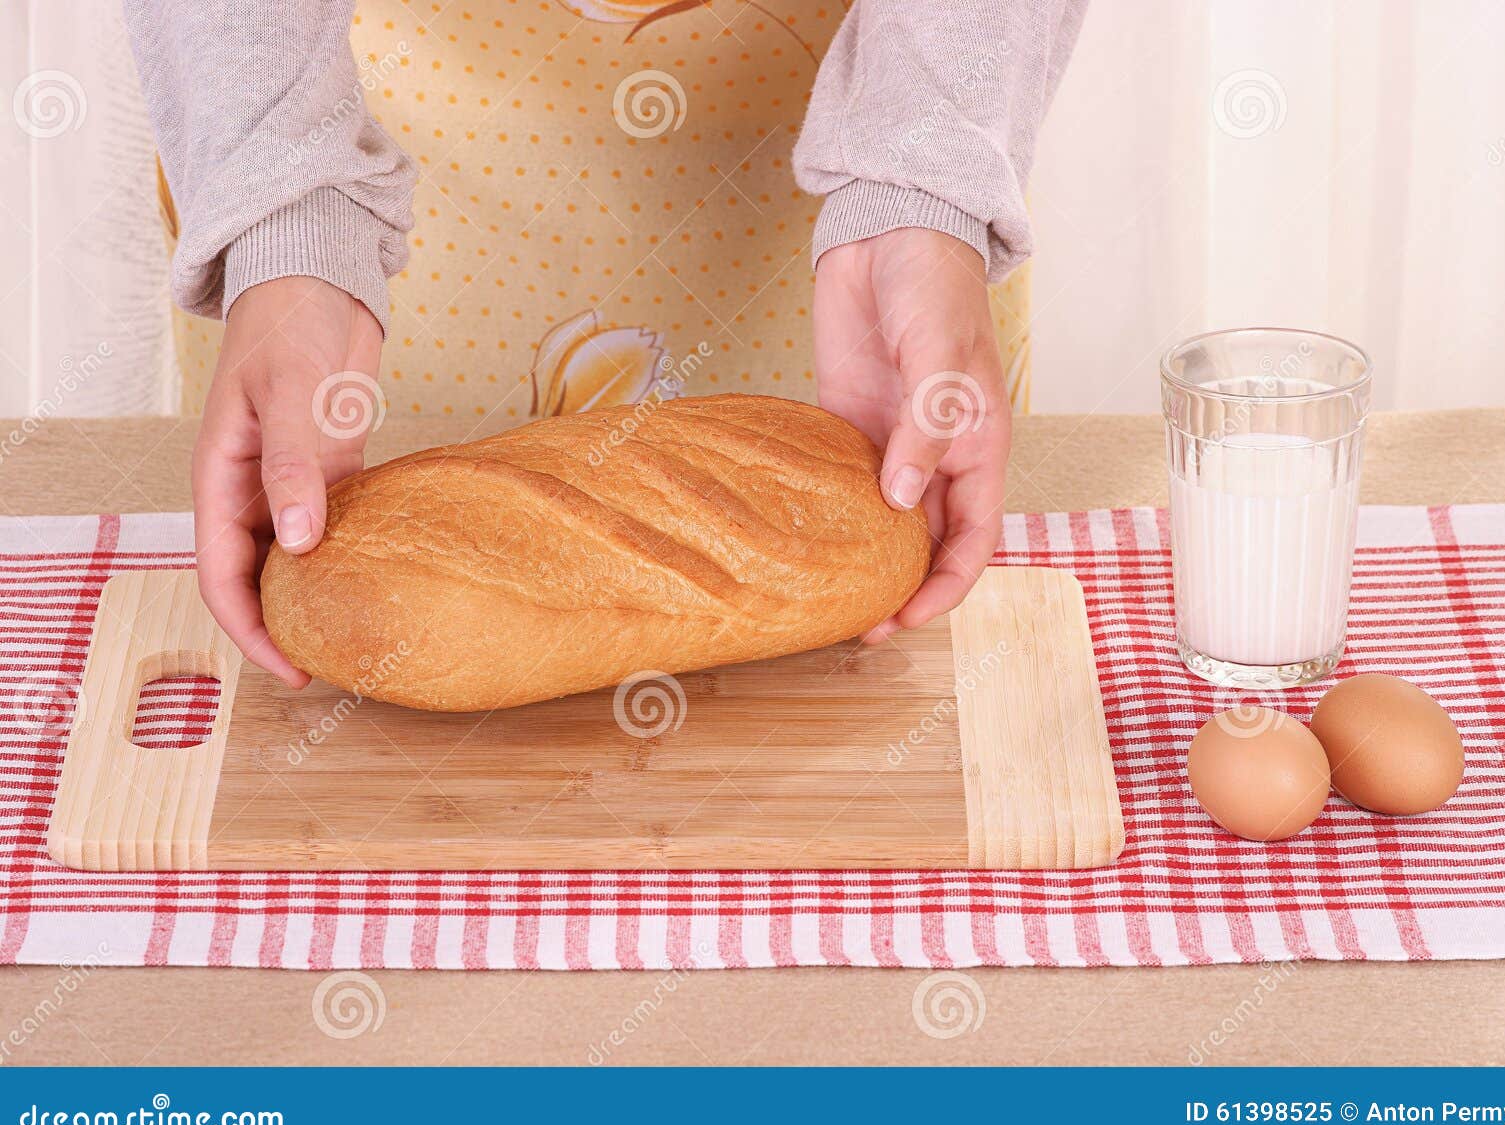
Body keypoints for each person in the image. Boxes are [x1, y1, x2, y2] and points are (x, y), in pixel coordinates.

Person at [123, 0, 1088, 684]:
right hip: (363, 191)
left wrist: (920, 192)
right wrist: (290, 232)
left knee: (881, 495)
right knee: (345, 537)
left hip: (863, 224)